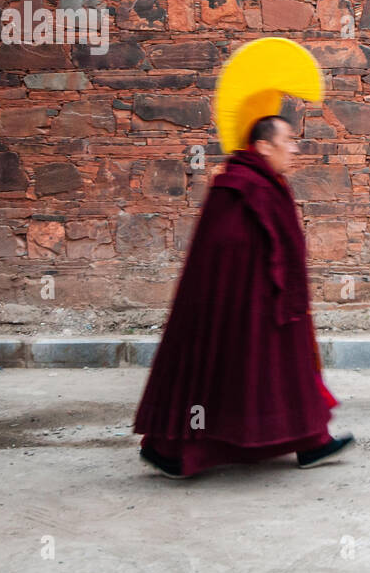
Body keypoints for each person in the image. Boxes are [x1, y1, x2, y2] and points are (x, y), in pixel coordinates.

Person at [133, 111, 353, 478]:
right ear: (264, 146)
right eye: (288, 142)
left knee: (282, 371)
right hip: (241, 308)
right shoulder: (238, 186)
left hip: (272, 302)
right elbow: (222, 251)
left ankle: (312, 441)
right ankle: (170, 452)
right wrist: (252, 296)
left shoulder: (269, 182)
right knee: (216, 373)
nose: (295, 150)